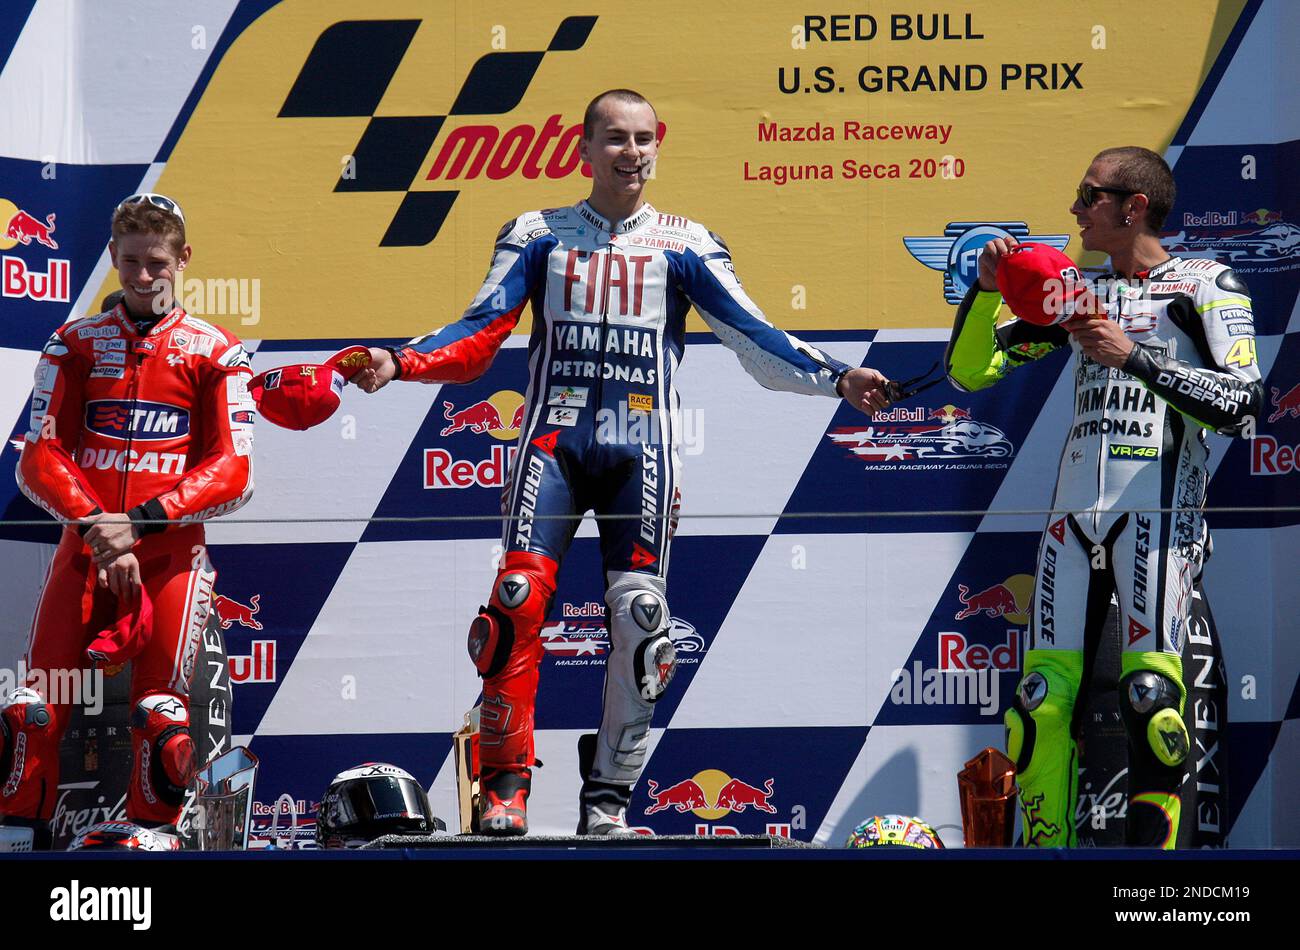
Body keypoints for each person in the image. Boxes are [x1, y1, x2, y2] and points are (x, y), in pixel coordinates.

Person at [355, 89, 894, 836]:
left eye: (643, 139)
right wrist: (399, 361)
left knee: (643, 625)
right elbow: (480, 331)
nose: (631, 153)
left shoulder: (685, 243)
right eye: (614, 138)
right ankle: (505, 789)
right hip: (551, 446)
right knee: (514, 601)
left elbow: (755, 337)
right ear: (583, 148)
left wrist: (838, 375)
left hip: (642, 455)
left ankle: (606, 801)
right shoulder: (537, 233)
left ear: (658, 146)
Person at [946, 147, 1262, 847]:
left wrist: (1135, 358)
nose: (1074, 210)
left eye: (1087, 195)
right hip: (1068, 523)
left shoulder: (1204, 283)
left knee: (1152, 700)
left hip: (1158, 517)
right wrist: (990, 289)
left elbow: (1245, 406)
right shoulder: (1076, 297)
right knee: (1037, 707)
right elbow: (971, 371)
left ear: (1133, 205)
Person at [0, 193, 256, 849]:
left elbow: (235, 471)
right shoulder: (73, 343)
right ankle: (16, 833)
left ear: (183, 260)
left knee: (160, 713)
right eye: (132, 262)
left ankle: (155, 834)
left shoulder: (215, 350)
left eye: (158, 263)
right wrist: (98, 529)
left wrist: (136, 524)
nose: (144, 278)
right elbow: (38, 458)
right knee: (30, 708)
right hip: (83, 551)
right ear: (113, 257)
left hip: (170, 556)